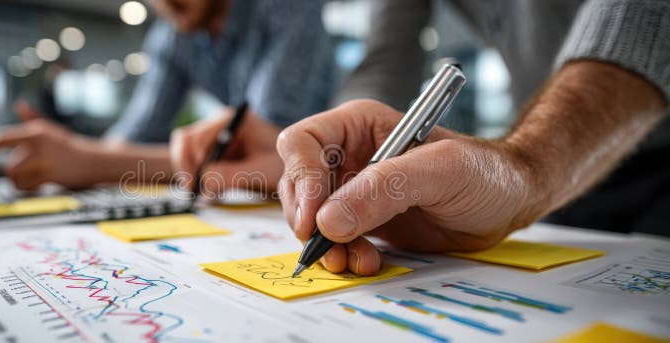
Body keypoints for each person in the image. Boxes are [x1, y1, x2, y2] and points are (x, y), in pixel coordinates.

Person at [276, 0, 669, 276]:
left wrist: (526, 167)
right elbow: (387, 54)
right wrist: (346, 144)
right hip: (557, 173)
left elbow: (645, 19)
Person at [0, 0, 334, 191]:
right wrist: (71, 148)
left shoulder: (286, 8)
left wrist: (88, 161)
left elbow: (269, 148)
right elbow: (134, 137)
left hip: (329, 172)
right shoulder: (172, 36)